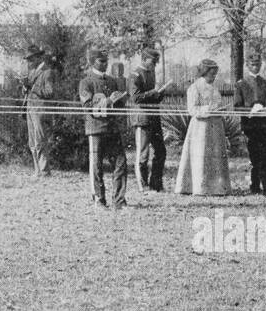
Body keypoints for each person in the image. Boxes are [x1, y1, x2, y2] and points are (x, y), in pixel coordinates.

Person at [78, 50, 128, 208]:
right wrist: (108, 100)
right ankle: (99, 200)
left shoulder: (113, 81)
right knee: (96, 166)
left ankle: (119, 201)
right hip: (96, 128)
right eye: (101, 61)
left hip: (112, 128)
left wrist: (121, 100)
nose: (105, 64)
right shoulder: (86, 82)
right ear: (92, 62)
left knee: (120, 163)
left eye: (106, 61)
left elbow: (118, 106)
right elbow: (87, 107)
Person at [175, 58, 232, 196]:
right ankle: (199, 188)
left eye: (215, 74)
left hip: (215, 128)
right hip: (201, 129)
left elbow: (218, 104)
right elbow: (192, 109)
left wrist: (220, 109)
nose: (213, 77)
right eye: (211, 74)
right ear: (204, 73)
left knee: (216, 157)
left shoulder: (214, 88)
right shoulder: (194, 88)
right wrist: (208, 109)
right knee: (201, 158)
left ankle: (217, 188)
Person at [234, 50, 266, 194]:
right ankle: (254, 186)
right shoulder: (241, 85)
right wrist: (251, 110)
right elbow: (237, 107)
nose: (255, 67)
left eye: (258, 64)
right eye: (252, 64)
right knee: (254, 157)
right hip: (251, 126)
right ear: (247, 65)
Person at [128, 47, 171, 192]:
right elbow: (135, 98)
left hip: (154, 118)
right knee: (143, 154)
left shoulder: (151, 73)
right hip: (142, 119)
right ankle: (143, 185)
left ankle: (156, 184)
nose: (155, 64)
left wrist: (161, 93)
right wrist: (153, 92)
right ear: (144, 59)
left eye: (156, 62)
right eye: (153, 61)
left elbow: (154, 98)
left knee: (161, 151)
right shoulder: (135, 75)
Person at [20, 44, 57, 177]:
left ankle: (45, 170)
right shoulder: (31, 72)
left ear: (38, 58)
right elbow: (27, 90)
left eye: (30, 59)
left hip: (40, 109)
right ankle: (37, 169)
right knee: (32, 141)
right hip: (30, 107)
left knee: (40, 139)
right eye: (27, 59)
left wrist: (33, 88)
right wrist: (24, 87)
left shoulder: (47, 72)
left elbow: (50, 92)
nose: (28, 62)